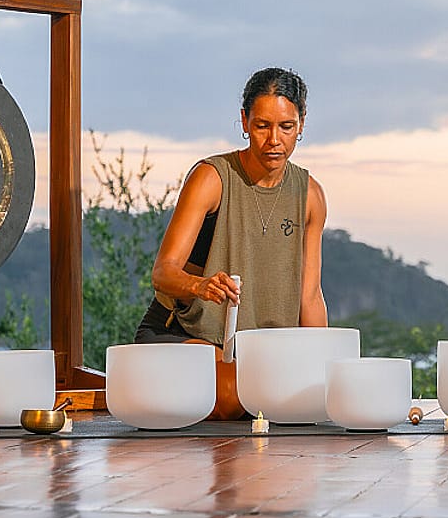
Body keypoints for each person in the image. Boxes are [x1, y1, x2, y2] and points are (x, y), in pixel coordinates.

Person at [135, 67, 329, 418]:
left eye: (286, 126)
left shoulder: (310, 196)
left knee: (306, 394)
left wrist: (320, 367)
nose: (274, 139)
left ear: (301, 124)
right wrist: (199, 285)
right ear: (244, 121)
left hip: (256, 354)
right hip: (183, 334)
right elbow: (163, 273)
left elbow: (311, 296)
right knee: (234, 395)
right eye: (262, 126)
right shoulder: (211, 178)